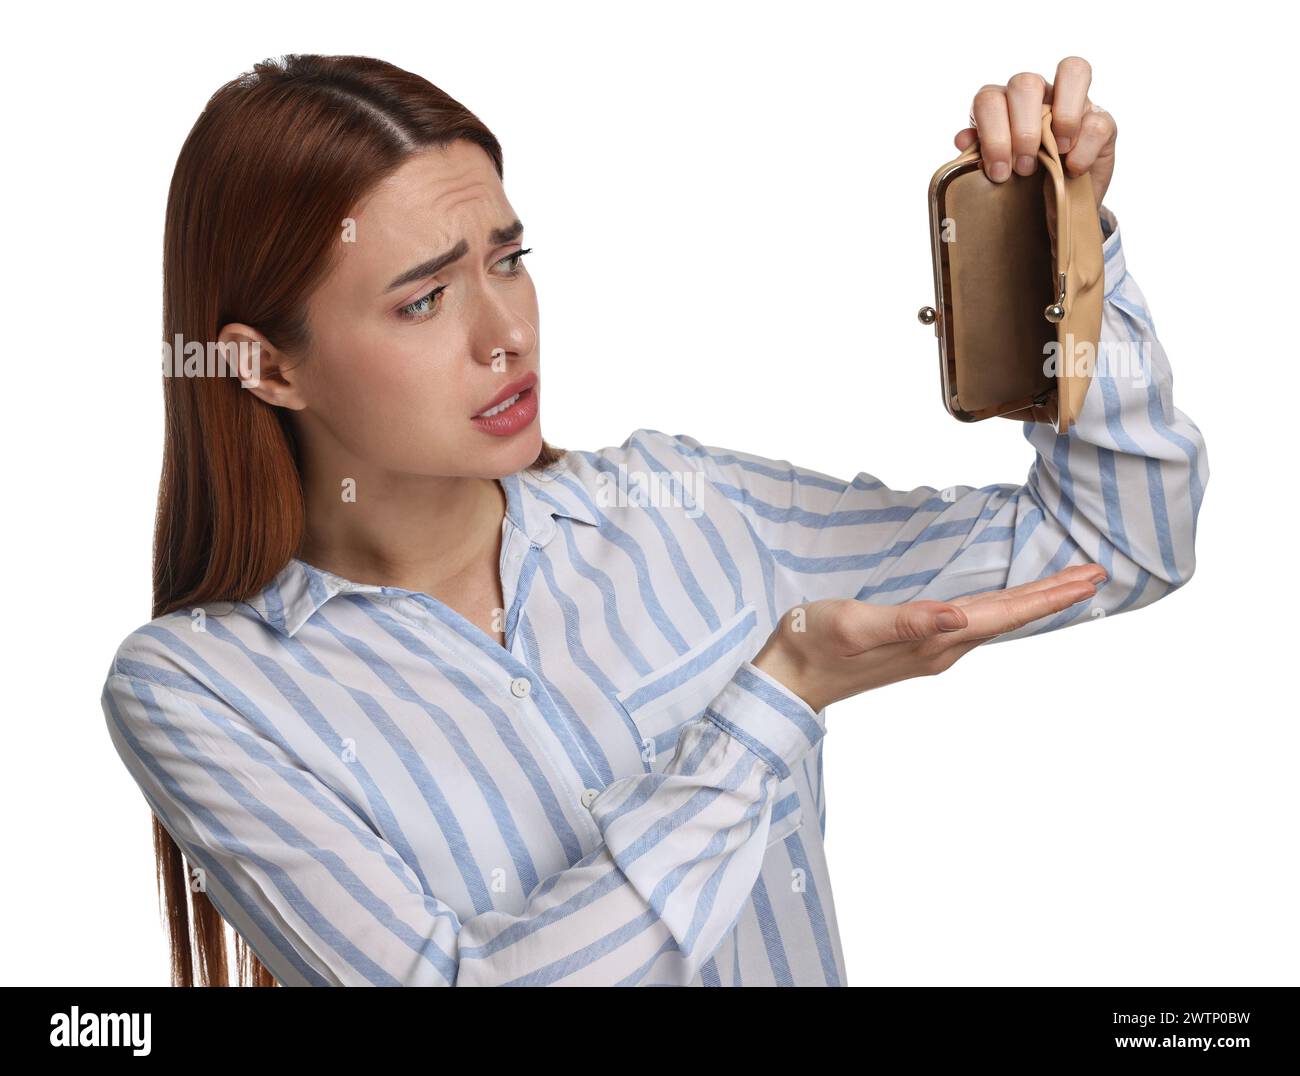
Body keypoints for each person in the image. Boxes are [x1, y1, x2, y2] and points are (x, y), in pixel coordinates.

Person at [100, 54, 1207, 986]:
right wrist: (770, 704)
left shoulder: (686, 506)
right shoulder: (199, 691)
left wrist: (1061, 243)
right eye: (424, 298)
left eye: (509, 260)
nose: (505, 336)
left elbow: (1114, 544)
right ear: (265, 366)